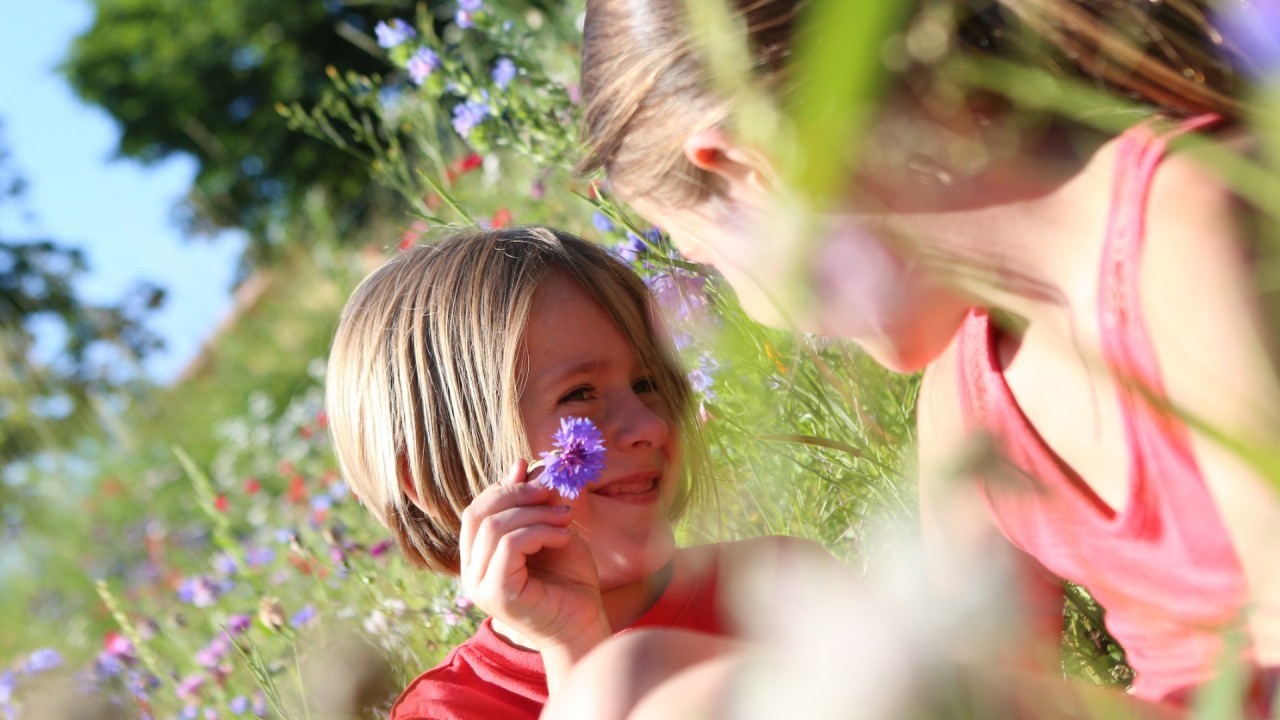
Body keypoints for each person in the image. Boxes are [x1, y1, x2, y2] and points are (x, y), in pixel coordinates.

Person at [575, 0, 1280, 715]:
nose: (764, 316)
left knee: (677, 697)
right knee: (625, 679)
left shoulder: (1191, 230)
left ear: (752, 166)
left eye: (710, 261)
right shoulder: (968, 405)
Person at [324, 225, 826, 719]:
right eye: (579, 395)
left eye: (648, 382)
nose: (649, 425)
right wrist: (575, 644)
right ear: (432, 479)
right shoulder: (450, 712)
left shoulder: (781, 585)